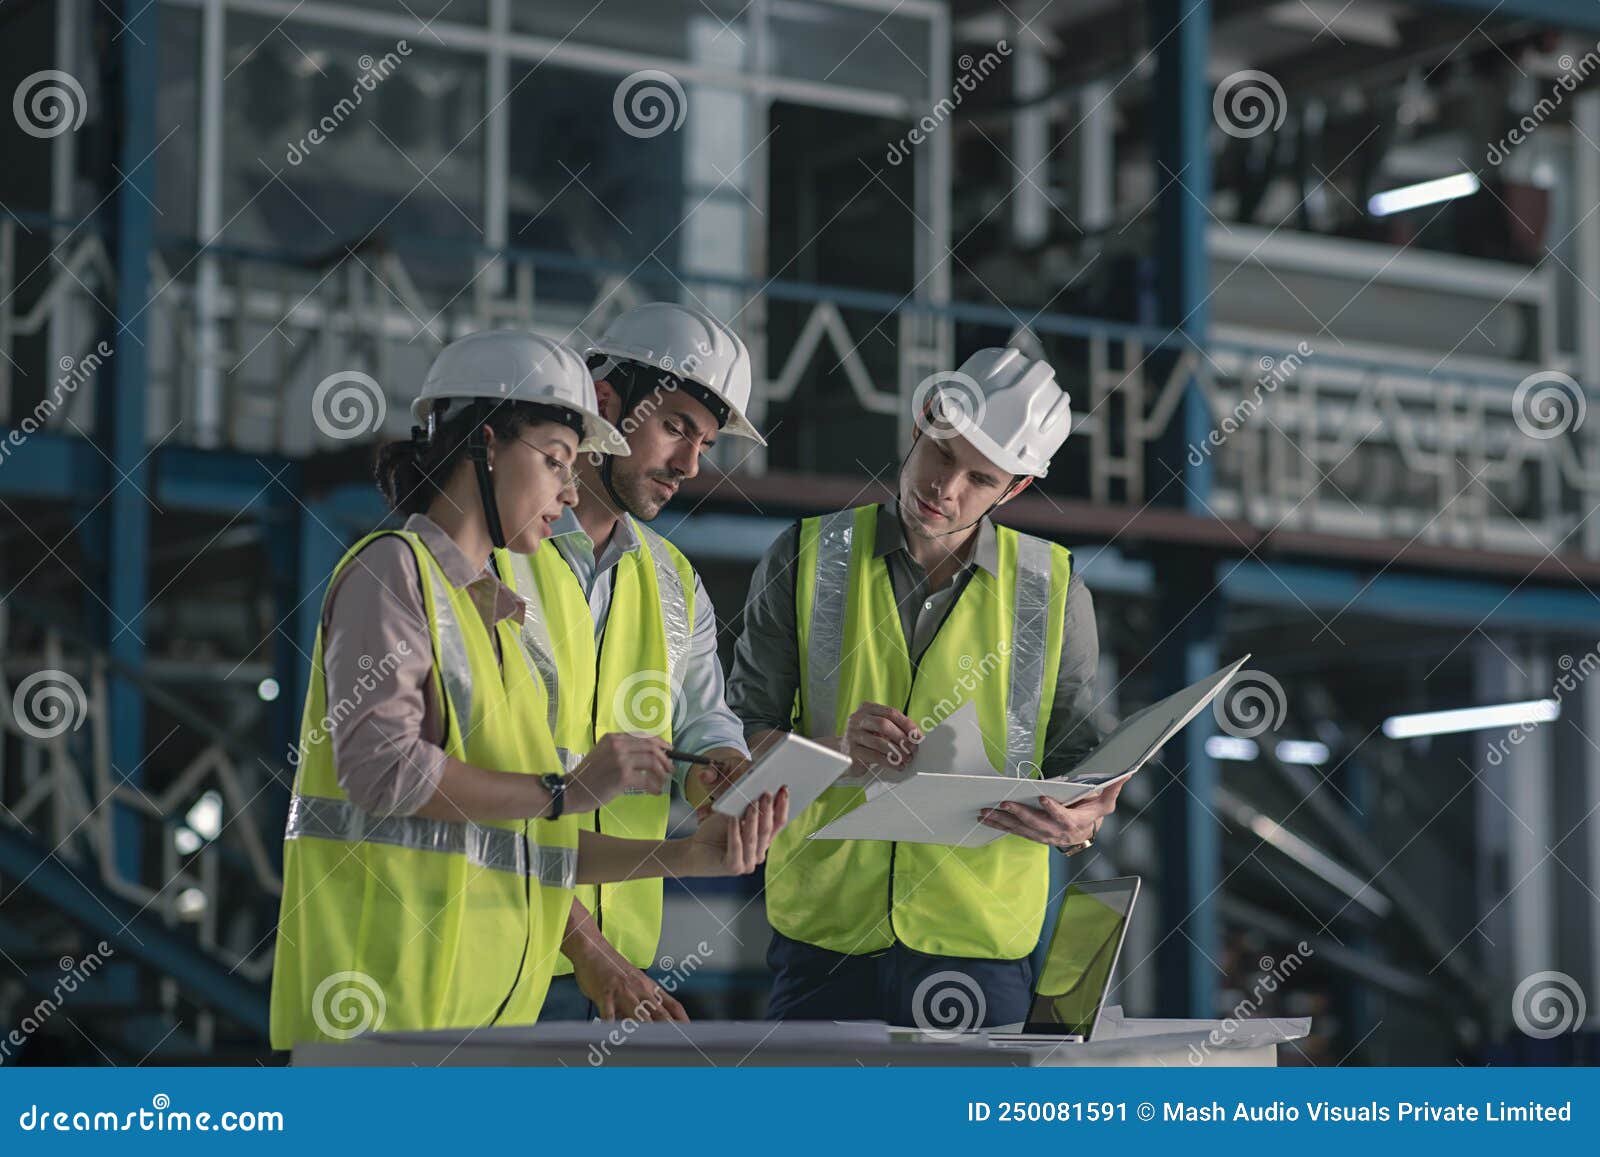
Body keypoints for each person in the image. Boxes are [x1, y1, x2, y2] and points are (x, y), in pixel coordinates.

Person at [269, 331, 786, 1048]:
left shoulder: (500, 619)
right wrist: (564, 791)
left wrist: (692, 855)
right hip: (377, 1005)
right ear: (484, 445)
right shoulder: (394, 571)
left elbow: (531, 847)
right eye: (555, 461)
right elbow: (383, 771)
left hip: (481, 1008)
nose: (569, 491)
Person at [727, 347, 1113, 1027]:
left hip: (978, 940)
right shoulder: (806, 556)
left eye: (979, 477)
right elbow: (733, 748)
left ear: (1014, 489)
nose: (946, 487)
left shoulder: (1053, 589)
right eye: (941, 452)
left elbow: (1088, 765)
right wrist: (832, 748)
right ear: (921, 424)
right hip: (824, 936)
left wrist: (1084, 819)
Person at [496, 303, 764, 1022]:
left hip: (622, 966)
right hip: (500, 945)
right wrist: (584, 946)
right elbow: (480, 785)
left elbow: (707, 713)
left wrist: (719, 764)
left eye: (704, 443)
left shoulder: (674, 579)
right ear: (606, 402)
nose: (689, 465)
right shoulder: (495, 562)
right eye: (675, 427)